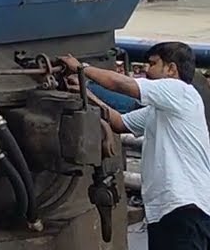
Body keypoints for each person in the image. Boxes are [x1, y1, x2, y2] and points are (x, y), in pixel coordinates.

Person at [61, 43, 210, 248]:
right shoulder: (159, 112)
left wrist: (81, 68)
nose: (147, 70)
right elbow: (119, 123)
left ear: (171, 69)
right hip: (166, 212)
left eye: (152, 64)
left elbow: (121, 84)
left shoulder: (180, 91)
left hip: (183, 208)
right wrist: (85, 94)